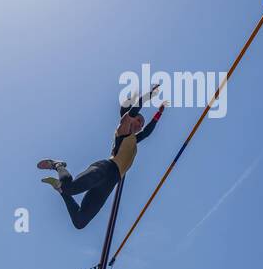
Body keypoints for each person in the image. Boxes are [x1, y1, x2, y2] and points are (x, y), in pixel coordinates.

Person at [39, 87, 167, 230]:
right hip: (106, 169)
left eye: (141, 124)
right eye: (138, 120)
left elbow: (147, 132)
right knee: (70, 188)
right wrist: (149, 95)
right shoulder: (123, 127)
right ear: (131, 118)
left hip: (111, 182)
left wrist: (159, 113)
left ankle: (60, 189)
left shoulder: (134, 139)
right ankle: (58, 165)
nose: (140, 125)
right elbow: (134, 110)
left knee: (80, 222)